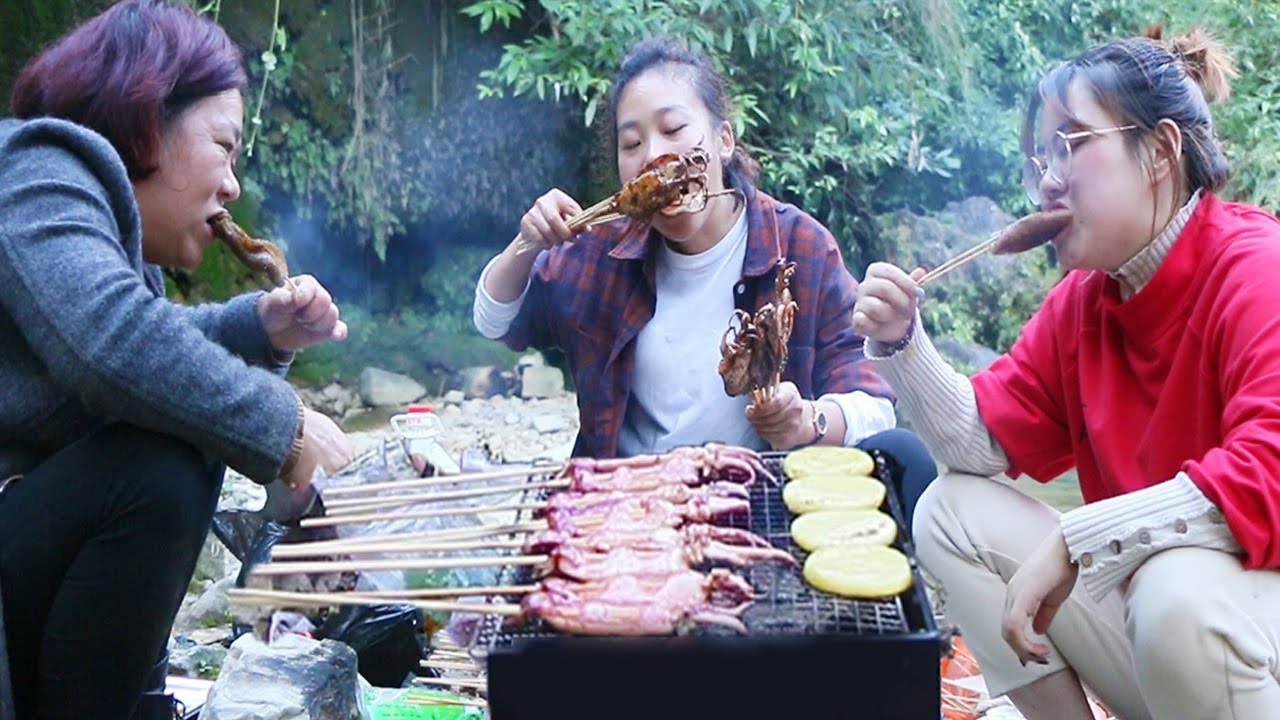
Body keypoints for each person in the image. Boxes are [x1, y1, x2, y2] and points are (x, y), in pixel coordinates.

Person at [854, 25, 1280, 720]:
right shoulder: (1086, 301)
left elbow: (1271, 470)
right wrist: (904, 344)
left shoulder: (1256, 267)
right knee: (949, 511)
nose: (1048, 178)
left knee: (1179, 590)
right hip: (1162, 634)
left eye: (1071, 145)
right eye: (1040, 155)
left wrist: (1077, 536)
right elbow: (980, 445)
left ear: (1161, 151)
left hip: (1247, 640)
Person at [0, 2, 355, 718]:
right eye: (224, 147)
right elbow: (109, 344)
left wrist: (261, 328)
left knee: (177, 419)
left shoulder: (117, 245)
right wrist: (286, 429)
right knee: (165, 460)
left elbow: (148, 337)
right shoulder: (34, 166)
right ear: (147, 115)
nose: (231, 185)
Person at [473, 37, 935, 515]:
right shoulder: (601, 250)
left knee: (906, 456)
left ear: (723, 141)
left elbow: (875, 404)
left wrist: (808, 421)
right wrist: (526, 244)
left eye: (673, 128)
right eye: (632, 143)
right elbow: (496, 320)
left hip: (756, 509)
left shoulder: (798, 247)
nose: (654, 155)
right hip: (624, 511)